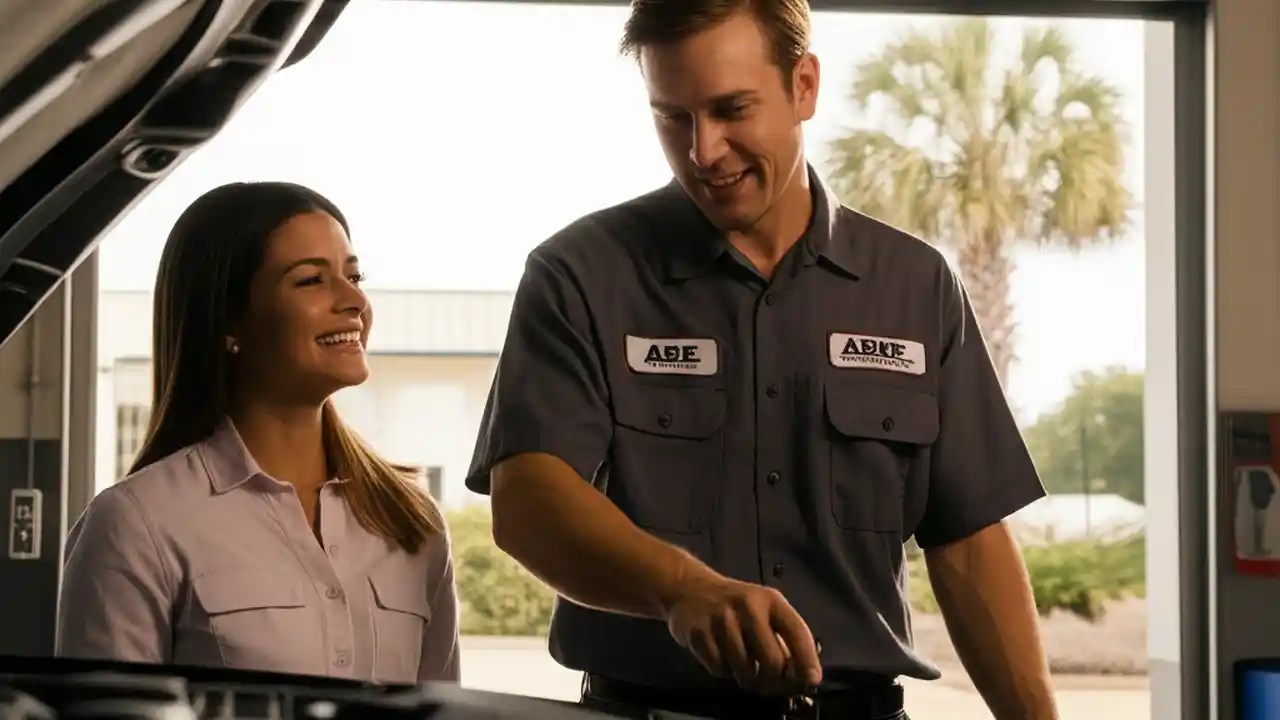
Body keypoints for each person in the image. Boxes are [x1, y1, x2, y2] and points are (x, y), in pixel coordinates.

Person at [465, 1, 1058, 718]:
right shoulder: (580, 275)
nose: (704, 150)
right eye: (672, 117)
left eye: (731, 110)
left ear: (803, 85)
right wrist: (685, 589)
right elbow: (529, 501)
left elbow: (968, 541)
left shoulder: (915, 286)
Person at [57, 182, 460, 685]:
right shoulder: (136, 523)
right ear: (228, 321)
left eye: (354, 275)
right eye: (312, 280)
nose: (354, 299)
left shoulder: (412, 522)